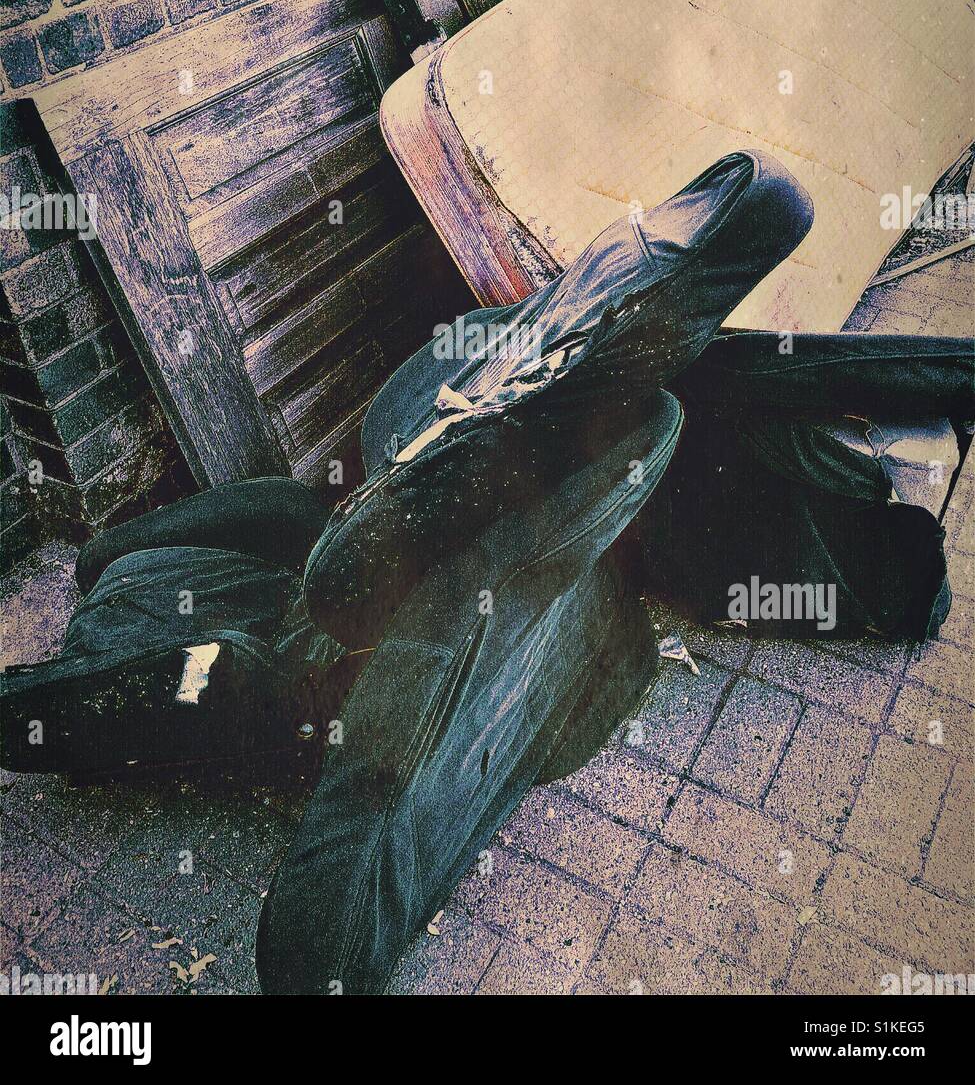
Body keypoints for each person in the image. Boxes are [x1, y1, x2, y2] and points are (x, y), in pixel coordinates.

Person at [2, 152, 971, 995]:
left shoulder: (590, 464)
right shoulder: (595, 408)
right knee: (322, 579)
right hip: (456, 585)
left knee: (319, 597)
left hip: (447, 599)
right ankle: (503, 437)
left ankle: (501, 433)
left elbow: (323, 937)